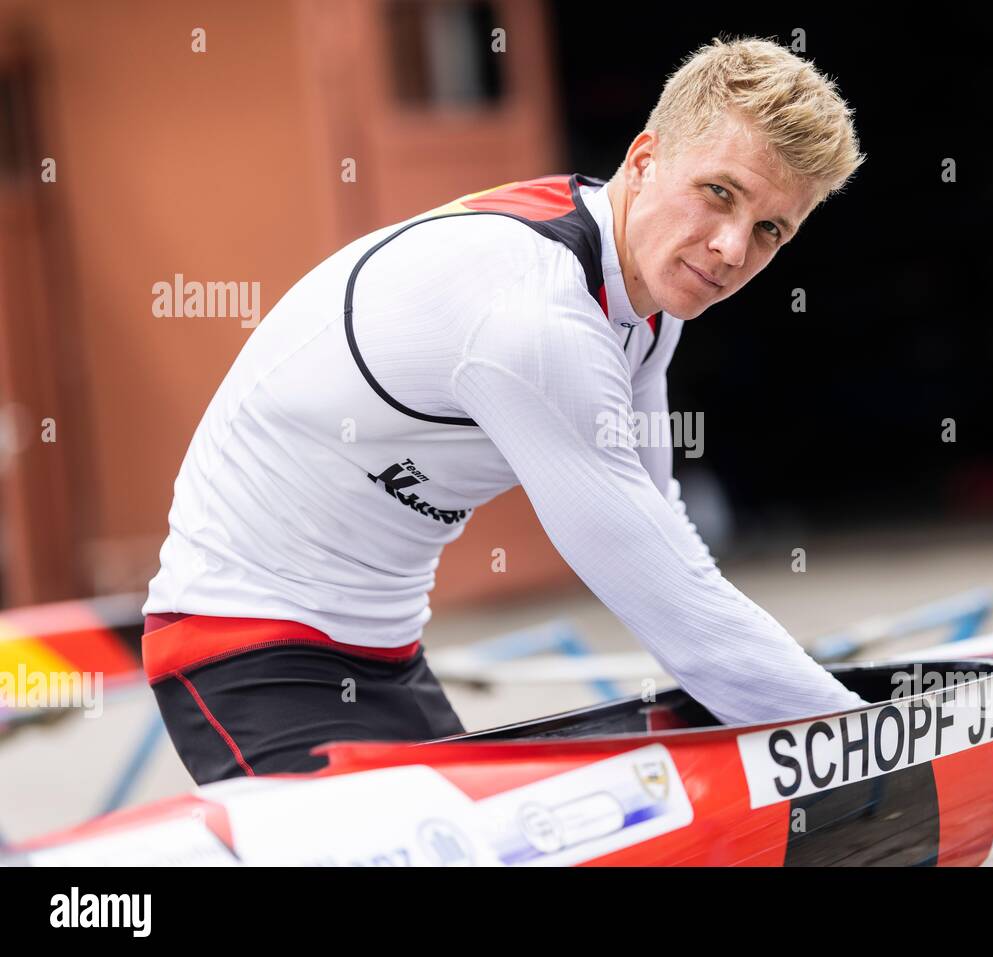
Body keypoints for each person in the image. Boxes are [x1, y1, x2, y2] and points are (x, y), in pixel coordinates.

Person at [143, 36, 868, 784]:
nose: (729, 248)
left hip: (382, 650)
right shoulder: (537, 313)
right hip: (239, 646)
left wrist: (824, 719)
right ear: (645, 160)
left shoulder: (647, 298)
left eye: (769, 230)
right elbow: (664, 597)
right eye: (720, 192)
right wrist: (867, 738)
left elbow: (658, 523)